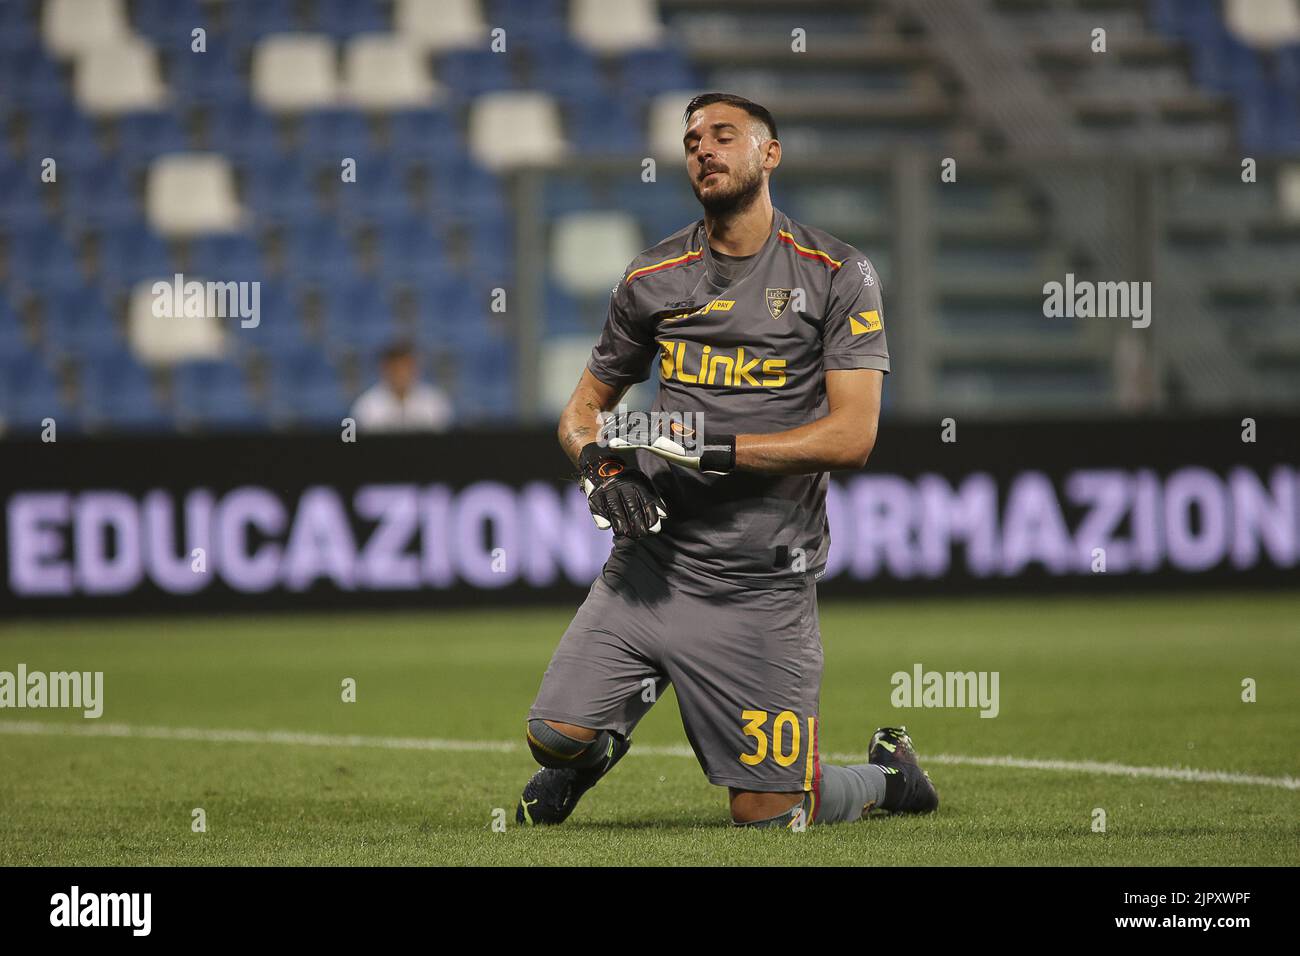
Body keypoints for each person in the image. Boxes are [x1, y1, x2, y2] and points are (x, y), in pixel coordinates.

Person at [517, 93, 939, 828]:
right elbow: (580, 414)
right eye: (690, 142)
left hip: (762, 581)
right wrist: (602, 468)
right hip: (655, 562)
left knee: (767, 814)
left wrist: (719, 450)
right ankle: (590, 754)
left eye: (723, 135)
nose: (703, 150)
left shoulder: (838, 272)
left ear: (769, 154)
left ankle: (885, 778)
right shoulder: (653, 278)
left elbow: (853, 437)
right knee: (553, 736)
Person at [350, 341, 453, 432]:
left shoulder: (435, 401)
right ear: (385, 370)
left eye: (406, 368)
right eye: (396, 369)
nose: (402, 374)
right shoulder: (367, 406)